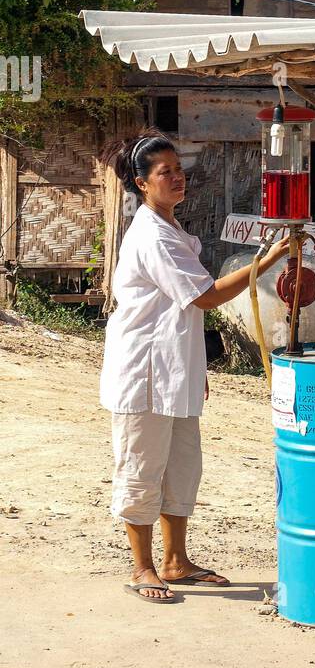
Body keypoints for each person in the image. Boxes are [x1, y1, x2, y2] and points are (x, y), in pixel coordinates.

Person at [102, 131, 290, 604]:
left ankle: (175, 560)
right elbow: (205, 297)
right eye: (165, 172)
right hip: (144, 371)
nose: (177, 178)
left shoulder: (173, 230)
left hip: (175, 367)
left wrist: (196, 366)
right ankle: (142, 566)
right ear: (142, 183)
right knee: (143, 467)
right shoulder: (152, 235)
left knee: (182, 467)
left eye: (179, 170)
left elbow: (182, 314)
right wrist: (266, 262)